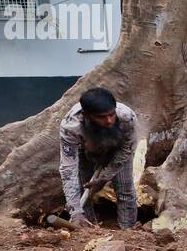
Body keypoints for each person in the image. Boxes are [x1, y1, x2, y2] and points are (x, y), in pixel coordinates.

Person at [59, 87, 138, 229]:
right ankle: (88, 229)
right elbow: (68, 170)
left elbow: (127, 148)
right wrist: (75, 212)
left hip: (118, 149)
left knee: (125, 190)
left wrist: (105, 176)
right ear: (86, 115)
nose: (109, 121)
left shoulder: (127, 116)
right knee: (86, 189)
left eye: (111, 115)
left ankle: (128, 230)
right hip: (86, 149)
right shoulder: (70, 127)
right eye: (102, 117)